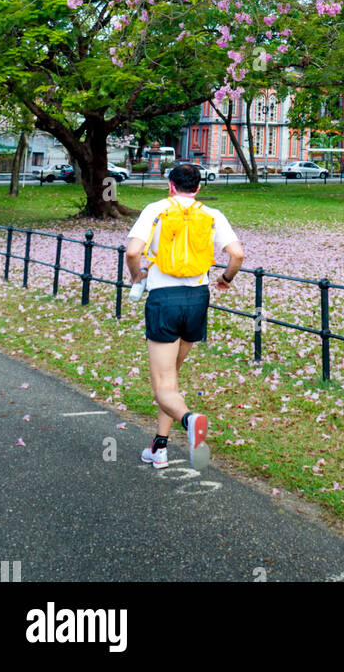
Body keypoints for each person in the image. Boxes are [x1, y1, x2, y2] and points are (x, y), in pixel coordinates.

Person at [125, 162, 244, 470]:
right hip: (197, 299)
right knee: (172, 380)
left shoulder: (156, 209)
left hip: (164, 299)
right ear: (199, 187)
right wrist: (226, 279)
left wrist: (137, 276)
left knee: (162, 385)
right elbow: (237, 255)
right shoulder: (213, 214)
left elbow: (132, 252)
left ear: (171, 185)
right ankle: (159, 447)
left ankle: (190, 421)